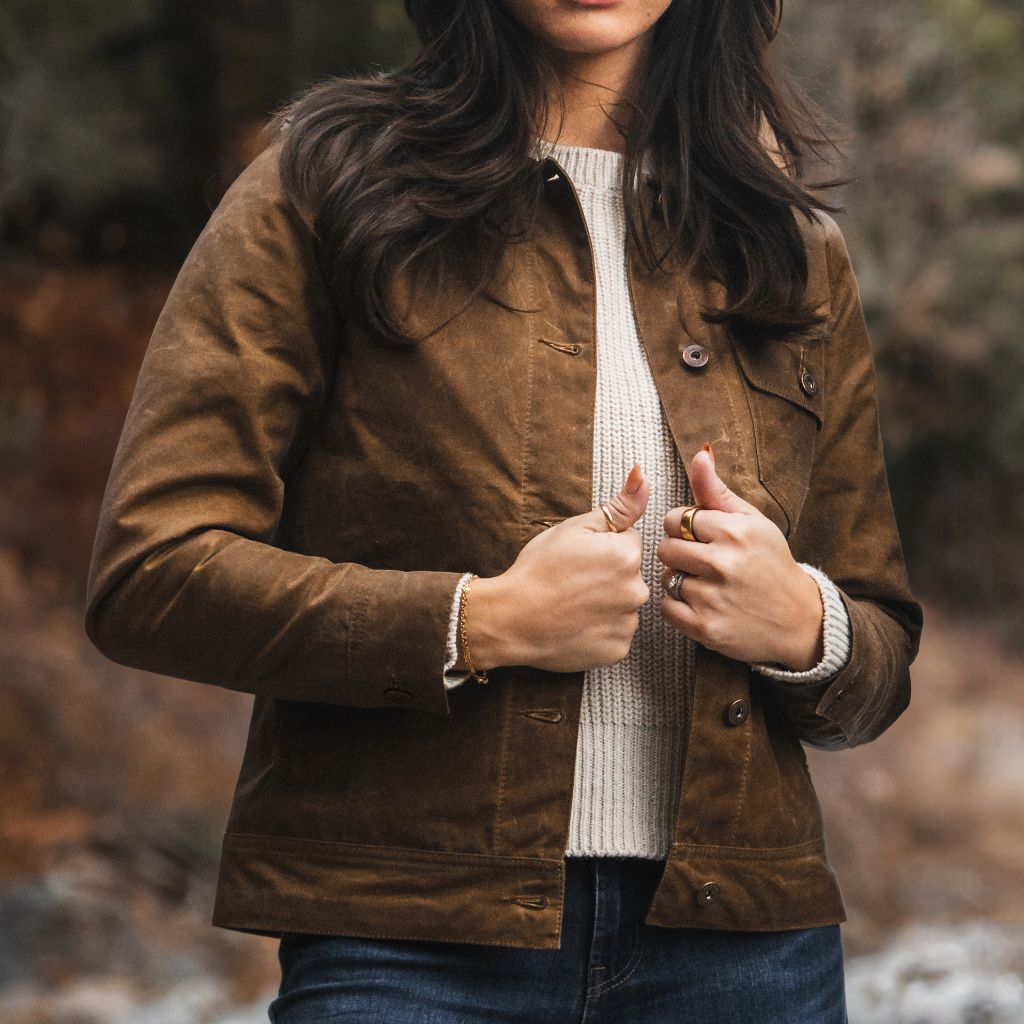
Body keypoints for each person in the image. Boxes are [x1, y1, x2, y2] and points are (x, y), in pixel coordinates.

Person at [84, 0, 924, 1021]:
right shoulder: (325, 184)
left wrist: (805, 626)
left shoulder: (788, 244)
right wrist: (476, 623)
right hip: (405, 936)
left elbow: (881, 647)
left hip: (746, 949)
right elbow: (152, 569)